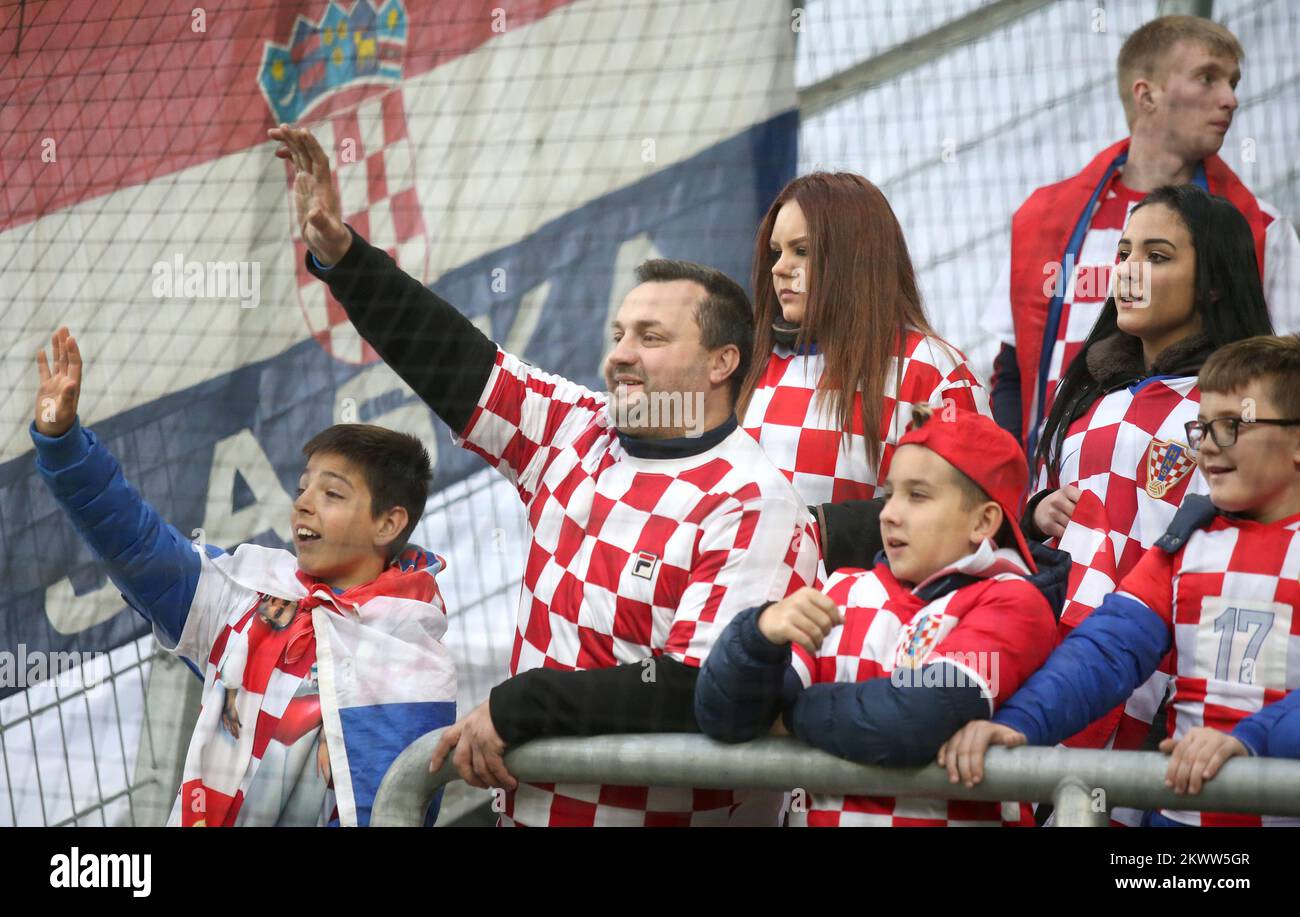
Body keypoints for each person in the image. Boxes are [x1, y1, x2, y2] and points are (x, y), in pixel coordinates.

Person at [270, 125, 821, 826]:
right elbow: (457, 361)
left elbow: (699, 688)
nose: (622, 354)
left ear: (722, 363)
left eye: (651, 337)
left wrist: (523, 705)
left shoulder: (754, 501)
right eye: (619, 333)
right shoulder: (576, 428)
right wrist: (344, 259)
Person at [30, 328, 456, 827]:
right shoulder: (248, 594)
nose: (303, 503)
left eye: (333, 495)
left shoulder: (413, 656)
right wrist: (64, 447)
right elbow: (139, 547)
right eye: (303, 487)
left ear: (388, 523)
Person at [940, 335, 1300, 827]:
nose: (1209, 446)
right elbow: (1105, 651)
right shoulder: (1187, 545)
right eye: (1203, 427)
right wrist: (1017, 725)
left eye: (1233, 426)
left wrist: (1250, 741)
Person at [1019, 185, 1273, 824]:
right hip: (1072, 663)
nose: (1130, 271)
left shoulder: (1233, 411)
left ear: (1213, 283)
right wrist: (1038, 511)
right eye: (1125, 251)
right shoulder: (1091, 396)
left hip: (1180, 693)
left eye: (1158, 256)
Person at [695, 407, 1062, 826]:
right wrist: (757, 639)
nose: (888, 514)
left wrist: (790, 717)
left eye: (917, 496)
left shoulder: (1016, 601)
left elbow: (915, 720)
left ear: (984, 521)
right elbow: (726, 719)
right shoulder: (844, 587)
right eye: (889, 496)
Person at [986, 15, 1300, 454]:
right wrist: (1020, 485)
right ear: (1146, 94)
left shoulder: (1262, 227)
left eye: (1233, 82)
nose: (1230, 99)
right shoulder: (1041, 218)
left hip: (1192, 476)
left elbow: (1283, 375)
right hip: (1056, 489)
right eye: (1207, 78)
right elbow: (1011, 374)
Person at [740, 172, 989, 517]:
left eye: (802, 250)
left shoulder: (931, 368)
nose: (780, 268)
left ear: (855, 257)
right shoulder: (751, 363)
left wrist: (831, 533)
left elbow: (968, 513)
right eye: (776, 252)